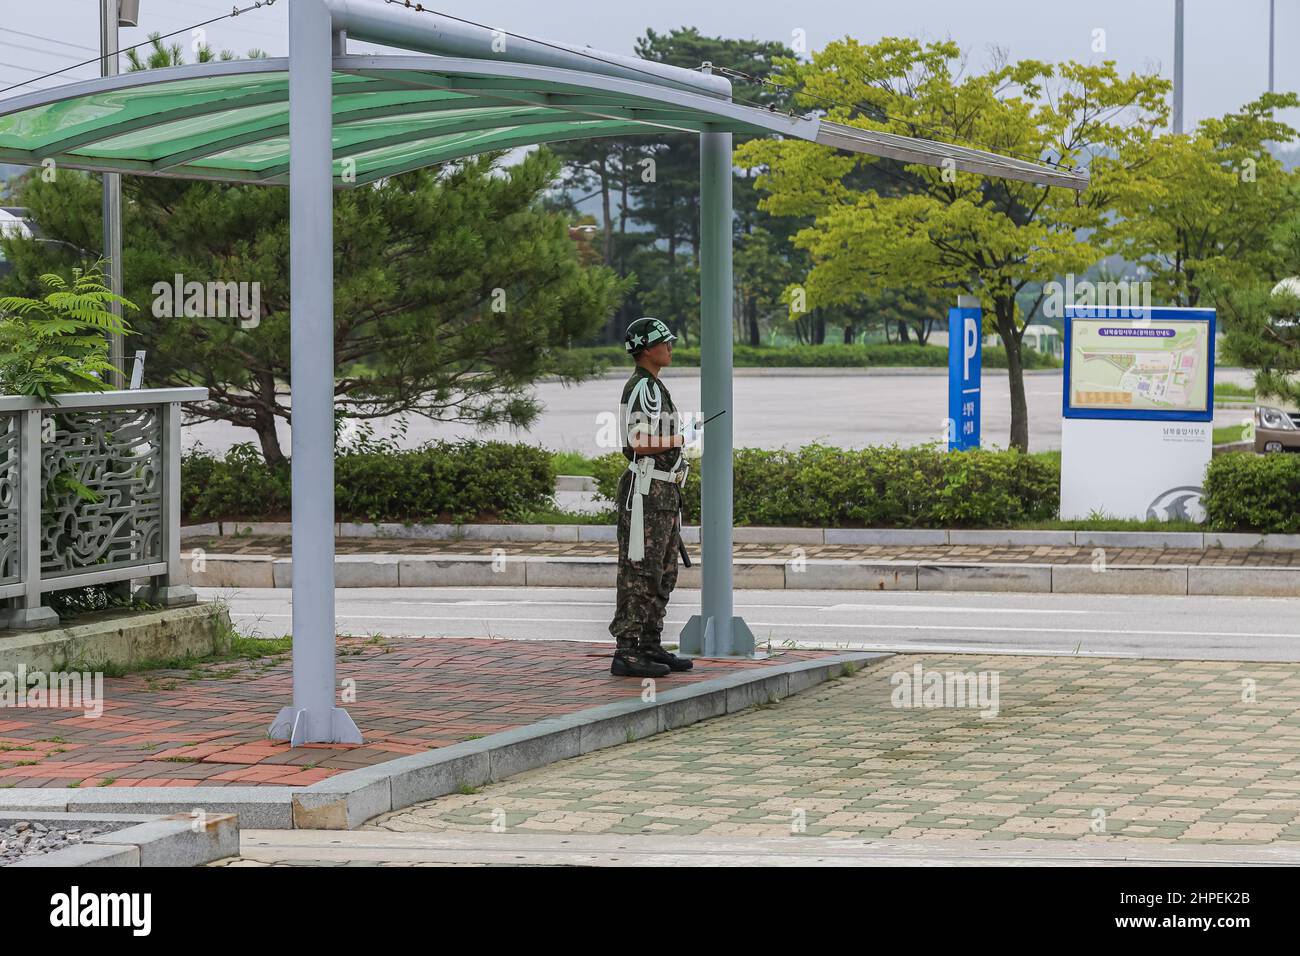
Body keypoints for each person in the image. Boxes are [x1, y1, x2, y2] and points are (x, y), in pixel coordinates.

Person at [608, 317, 703, 677]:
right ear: (647, 349)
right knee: (640, 572)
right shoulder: (642, 388)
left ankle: (649, 643)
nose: (670, 347)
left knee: (663, 572)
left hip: (663, 491)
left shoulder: (654, 386)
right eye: (665, 342)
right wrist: (680, 439)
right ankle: (628, 651)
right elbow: (638, 442)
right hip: (647, 491)